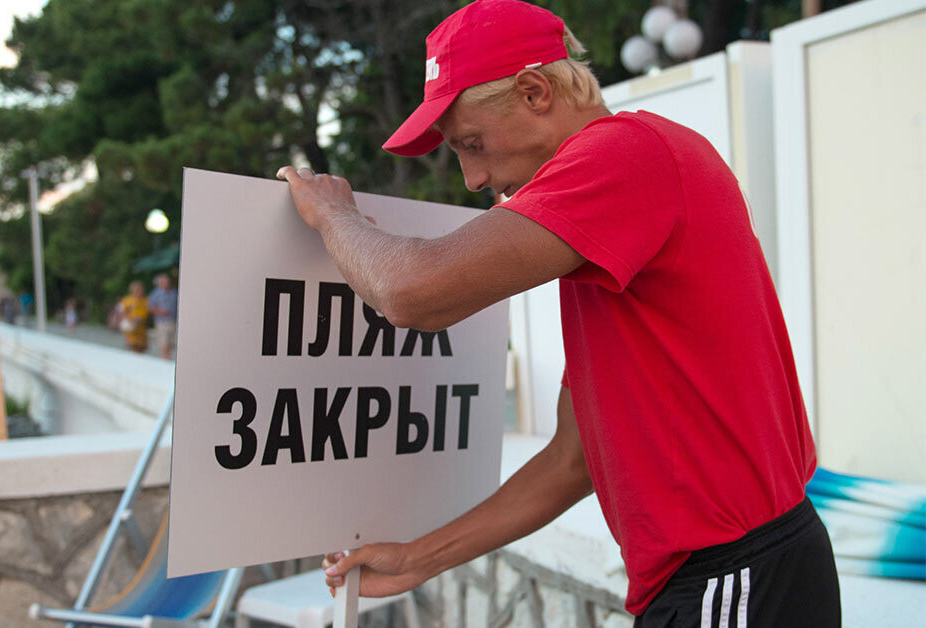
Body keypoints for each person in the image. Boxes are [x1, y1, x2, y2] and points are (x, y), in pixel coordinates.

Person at [276, 2, 837, 626]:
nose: (471, 177)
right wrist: (419, 558)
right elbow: (573, 459)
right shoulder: (613, 210)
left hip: (732, 576)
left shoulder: (624, 154)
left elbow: (412, 291)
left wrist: (334, 216)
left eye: (472, 144)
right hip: (726, 576)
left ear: (535, 91)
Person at [148, 273, 178, 360]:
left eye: (168, 281)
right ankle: (164, 360)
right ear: (160, 283)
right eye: (165, 282)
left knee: (171, 344)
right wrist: (160, 311)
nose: (167, 283)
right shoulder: (155, 293)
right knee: (164, 343)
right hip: (162, 322)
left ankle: (167, 359)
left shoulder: (174, 292)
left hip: (173, 321)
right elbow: (150, 307)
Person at [117, 281, 149, 353]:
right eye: (138, 290)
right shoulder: (127, 300)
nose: (140, 291)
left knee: (141, 348)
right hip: (132, 327)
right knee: (133, 347)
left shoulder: (145, 300)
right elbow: (121, 312)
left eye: (141, 289)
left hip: (142, 327)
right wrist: (131, 319)